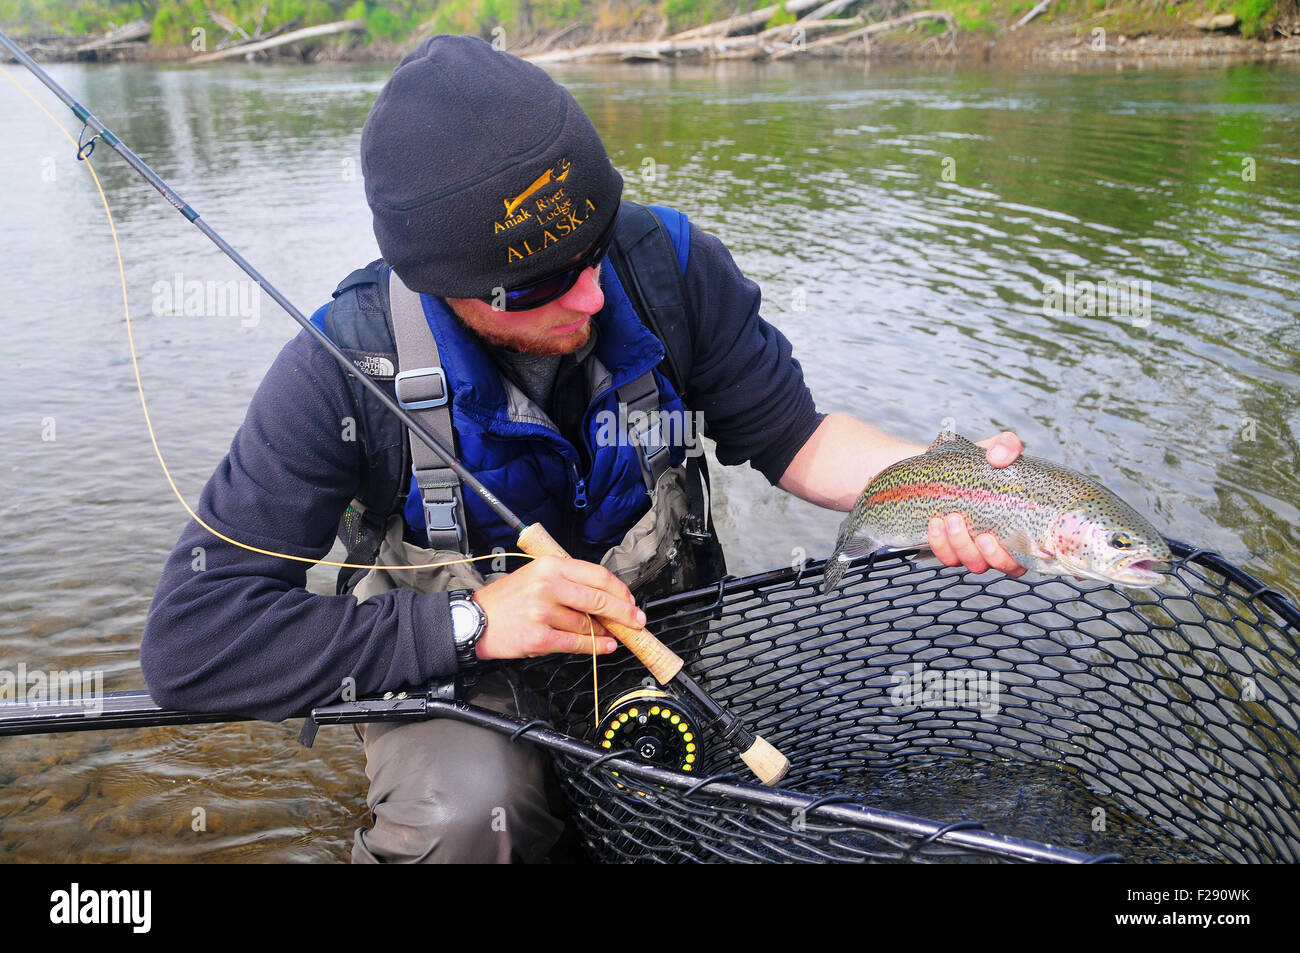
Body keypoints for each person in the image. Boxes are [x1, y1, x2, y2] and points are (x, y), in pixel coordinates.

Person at [140, 34, 1026, 863]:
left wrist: (942, 483)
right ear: (444, 285)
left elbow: (799, 438)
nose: (595, 296)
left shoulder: (665, 269)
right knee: (472, 814)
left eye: (595, 246)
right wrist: (475, 623)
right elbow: (193, 640)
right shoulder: (341, 370)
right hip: (451, 676)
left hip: (650, 645)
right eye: (547, 283)